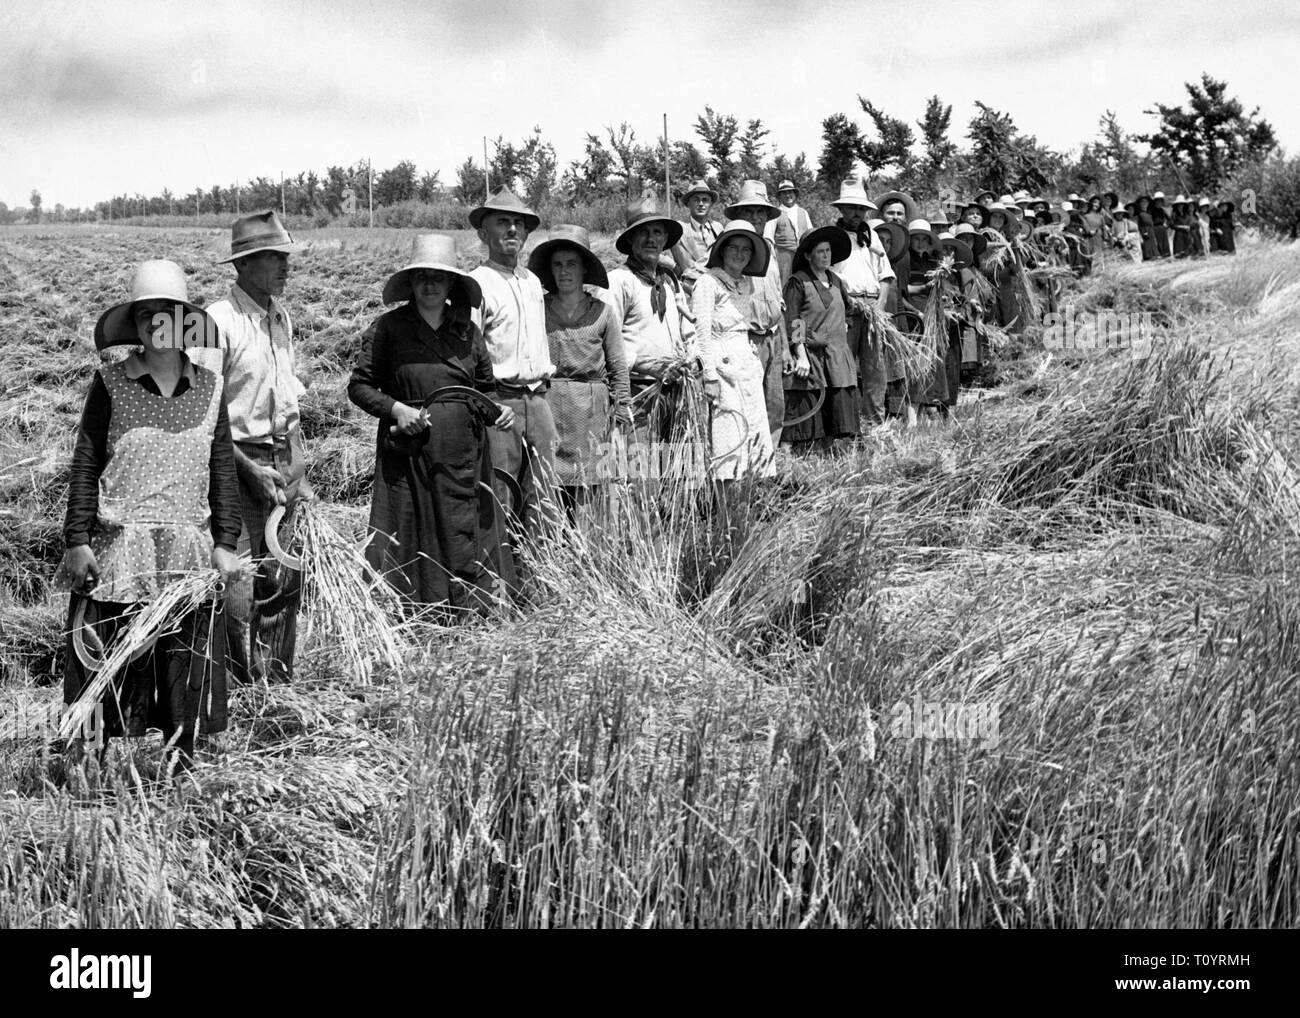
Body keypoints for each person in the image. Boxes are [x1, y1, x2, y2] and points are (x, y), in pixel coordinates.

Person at [60, 260, 242, 771]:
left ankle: (179, 768)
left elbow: (222, 470)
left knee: (183, 666)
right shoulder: (112, 383)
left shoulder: (209, 387)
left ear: (186, 323)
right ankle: (95, 774)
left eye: (168, 315)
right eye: (146, 316)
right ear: (135, 326)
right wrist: (78, 537)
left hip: (186, 551)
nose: (157, 325)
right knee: (112, 664)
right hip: (122, 549)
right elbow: (86, 461)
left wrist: (225, 541)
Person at [347, 234, 516, 616]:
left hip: (464, 453)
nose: (429, 285)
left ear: (451, 284)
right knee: (411, 530)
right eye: (421, 277)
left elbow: (485, 392)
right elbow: (359, 386)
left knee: (464, 525)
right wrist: (396, 409)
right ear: (410, 283)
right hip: (409, 451)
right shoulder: (389, 328)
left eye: (438, 278)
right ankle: (414, 612)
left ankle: (472, 610)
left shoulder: (468, 332)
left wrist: (500, 413)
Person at [195, 211, 308, 685]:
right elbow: (201, 412)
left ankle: (274, 679)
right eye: (273, 258)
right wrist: (248, 469)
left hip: (283, 456)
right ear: (243, 265)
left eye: (285, 257)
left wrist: (300, 466)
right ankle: (233, 682)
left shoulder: (281, 316)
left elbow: (288, 395)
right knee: (237, 578)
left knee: (283, 572)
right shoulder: (212, 322)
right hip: (234, 460)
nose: (285, 267)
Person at [468, 189, 558, 540]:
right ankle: (498, 580)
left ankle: (539, 578)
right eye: (502, 222)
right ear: (483, 233)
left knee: (543, 492)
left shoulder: (531, 281)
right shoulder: (477, 283)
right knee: (500, 492)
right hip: (500, 403)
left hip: (537, 398)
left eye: (518, 224)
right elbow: (472, 350)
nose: (511, 230)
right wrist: (484, 403)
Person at [527, 224, 631, 512]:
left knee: (589, 484)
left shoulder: (602, 312)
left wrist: (622, 410)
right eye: (557, 265)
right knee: (548, 481)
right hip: (548, 404)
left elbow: (617, 366)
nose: (564, 272)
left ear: (585, 269)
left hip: (591, 409)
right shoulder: (538, 308)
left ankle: (586, 548)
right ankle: (552, 548)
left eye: (571, 264)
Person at [604, 197, 697, 447]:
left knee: (674, 471)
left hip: (674, 391)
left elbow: (687, 330)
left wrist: (689, 359)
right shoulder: (619, 281)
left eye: (657, 232)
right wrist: (647, 365)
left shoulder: (670, 281)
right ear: (630, 240)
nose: (651, 239)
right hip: (637, 391)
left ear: (666, 240)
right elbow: (606, 341)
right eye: (643, 233)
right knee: (640, 473)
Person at [691, 220, 775, 481]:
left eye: (746, 250)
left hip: (745, 363)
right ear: (722, 251)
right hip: (722, 365)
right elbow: (701, 331)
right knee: (728, 434)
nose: (739, 254)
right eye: (734, 248)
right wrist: (709, 376)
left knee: (753, 431)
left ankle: (749, 501)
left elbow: (743, 325)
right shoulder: (708, 282)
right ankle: (725, 509)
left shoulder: (747, 284)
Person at [781, 226, 858, 450]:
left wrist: (844, 324)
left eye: (828, 251)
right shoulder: (798, 282)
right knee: (807, 420)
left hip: (837, 358)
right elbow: (794, 321)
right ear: (808, 255)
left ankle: (833, 455)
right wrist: (800, 355)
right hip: (812, 358)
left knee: (838, 419)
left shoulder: (836, 280)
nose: (826, 256)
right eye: (820, 251)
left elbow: (849, 310)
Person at [725, 180, 789, 447]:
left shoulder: (771, 249)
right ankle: (747, 462)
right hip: (747, 338)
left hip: (772, 336)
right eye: (749, 211)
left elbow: (779, 301)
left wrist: (785, 346)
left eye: (760, 212)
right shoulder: (731, 250)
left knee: (775, 405)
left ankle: (770, 461)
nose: (755, 217)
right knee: (748, 404)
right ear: (740, 215)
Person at [830, 179, 895, 424]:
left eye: (861, 208)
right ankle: (848, 423)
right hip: (847, 307)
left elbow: (886, 274)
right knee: (845, 366)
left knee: (875, 368)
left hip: (872, 306)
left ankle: (874, 421)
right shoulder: (833, 237)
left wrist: (880, 305)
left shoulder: (871, 236)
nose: (856, 213)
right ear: (841, 209)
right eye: (851, 207)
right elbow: (830, 277)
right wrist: (845, 303)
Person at [670, 179, 721, 291]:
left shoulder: (718, 229)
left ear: (711, 203)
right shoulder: (678, 229)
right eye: (696, 200)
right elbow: (660, 254)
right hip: (689, 291)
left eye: (705, 200)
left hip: (717, 290)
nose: (701, 204)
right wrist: (675, 268)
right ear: (688, 203)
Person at [765, 179, 813, 282]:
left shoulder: (803, 212)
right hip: (783, 257)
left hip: (802, 256)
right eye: (784, 193)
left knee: (804, 282)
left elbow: (811, 235)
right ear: (780, 197)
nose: (787, 195)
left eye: (790, 192)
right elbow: (768, 237)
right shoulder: (775, 214)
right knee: (785, 284)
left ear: (795, 194)